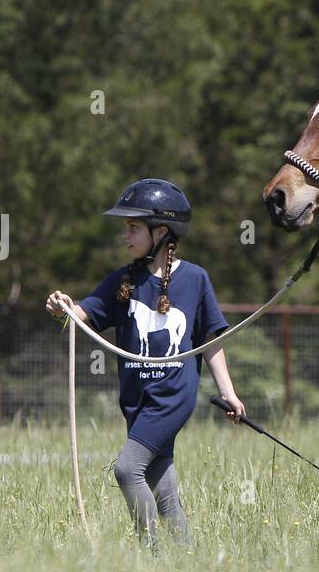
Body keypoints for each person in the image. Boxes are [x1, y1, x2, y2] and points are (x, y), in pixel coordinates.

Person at [46, 178, 245, 549]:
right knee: (161, 484)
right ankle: (186, 560)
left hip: (171, 396)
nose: (127, 236)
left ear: (161, 232)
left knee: (126, 470)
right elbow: (82, 315)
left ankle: (151, 557)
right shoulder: (122, 280)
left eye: (134, 228)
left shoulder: (196, 280)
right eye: (126, 228)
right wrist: (62, 309)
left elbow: (210, 340)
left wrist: (228, 393)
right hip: (136, 399)